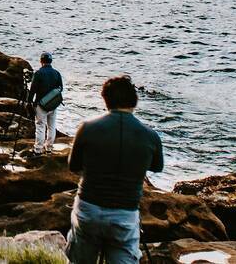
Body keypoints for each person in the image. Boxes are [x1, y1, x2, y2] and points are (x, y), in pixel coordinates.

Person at [66, 75, 164, 264]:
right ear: (134, 100)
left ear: (105, 99)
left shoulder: (87, 128)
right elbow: (157, 167)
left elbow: (73, 166)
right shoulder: (150, 136)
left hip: (89, 209)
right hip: (125, 213)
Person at [29, 51, 64, 155]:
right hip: (53, 104)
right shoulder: (57, 73)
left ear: (41, 61)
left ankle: (38, 149)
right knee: (51, 126)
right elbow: (60, 88)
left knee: (40, 126)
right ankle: (49, 148)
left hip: (41, 104)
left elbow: (33, 90)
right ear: (51, 61)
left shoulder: (38, 73)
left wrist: (29, 102)